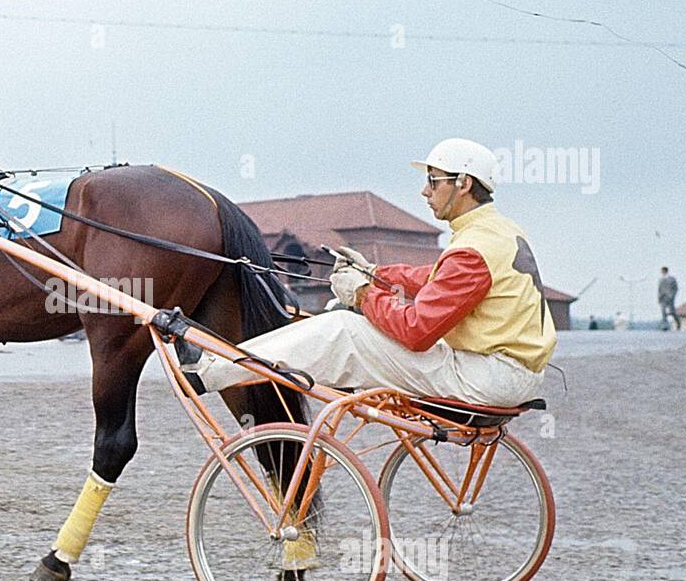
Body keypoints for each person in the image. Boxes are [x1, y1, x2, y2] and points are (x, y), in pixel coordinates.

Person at [183, 138, 556, 409]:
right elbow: (436, 277)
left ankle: (212, 371)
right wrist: (373, 272)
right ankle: (227, 364)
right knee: (347, 326)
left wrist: (362, 295)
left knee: (343, 329)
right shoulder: (499, 231)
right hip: (510, 373)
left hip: (486, 378)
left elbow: (416, 331)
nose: (425, 191)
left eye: (433, 180)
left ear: (463, 184)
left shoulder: (473, 248)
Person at [657, 266, 680, 330]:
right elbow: (659, 289)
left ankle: (678, 322)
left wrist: (672, 296)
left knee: (672, 312)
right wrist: (659, 298)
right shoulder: (660, 279)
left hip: (670, 297)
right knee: (663, 311)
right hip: (663, 298)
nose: (661, 272)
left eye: (662, 271)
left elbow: (676, 288)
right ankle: (665, 326)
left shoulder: (672, 279)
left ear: (665, 271)